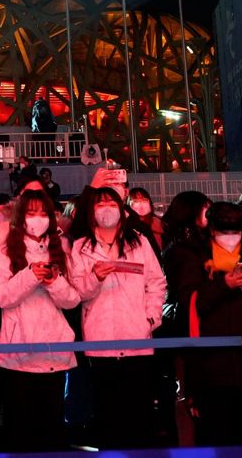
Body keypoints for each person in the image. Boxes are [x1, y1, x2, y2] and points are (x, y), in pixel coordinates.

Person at [69, 186, 167, 449]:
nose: (106, 208)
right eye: (99, 204)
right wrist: (96, 277)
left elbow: (157, 283)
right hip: (99, 341)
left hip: (138, 339)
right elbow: (77, 292)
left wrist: (150, 318)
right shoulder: (80, 247)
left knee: (140, 414)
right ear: (91, 210)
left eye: (111, 203)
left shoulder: (139, 241)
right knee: (107, 413)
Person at [163, 201, 242, 446]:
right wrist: (224, 284)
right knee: (215, 427)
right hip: (210, 357)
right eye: (224, 231)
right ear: (211, 229)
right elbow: (190, 303)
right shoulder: (190, 253)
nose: (230, 237)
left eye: (235, 231)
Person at [0, 189, 79, 452]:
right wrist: (30, 275)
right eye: (31, 213)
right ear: (20, 217)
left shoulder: (61, 248)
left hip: (54, 350)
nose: (38, 219)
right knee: (20, 429)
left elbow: (72, 300)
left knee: (52, 425)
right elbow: (2, 298)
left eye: (43, 213)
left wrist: (53, 282)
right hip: (17, 351)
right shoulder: (5, 250)